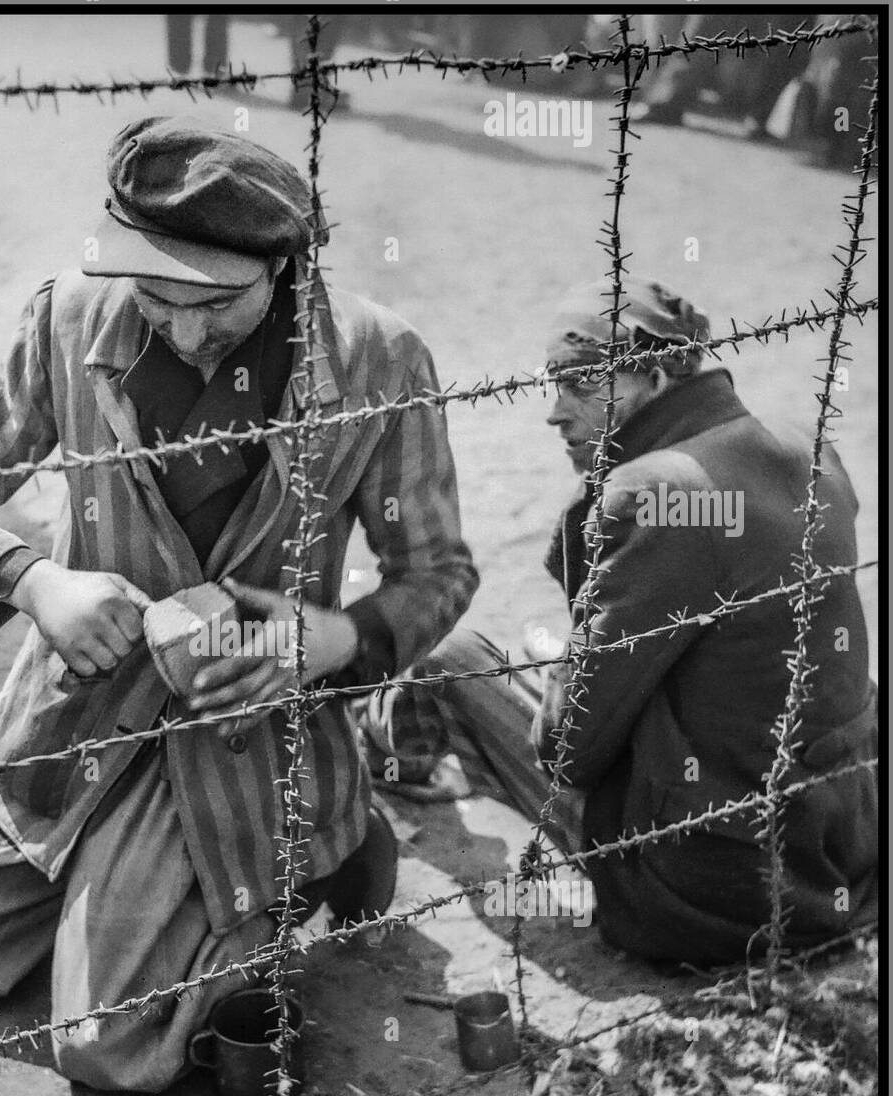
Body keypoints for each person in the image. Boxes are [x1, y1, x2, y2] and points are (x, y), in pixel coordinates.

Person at [0, 116, 478, 1092]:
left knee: (108, 1046)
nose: (187, 332)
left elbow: (438, 572)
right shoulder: (69, 318)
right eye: (156, 298)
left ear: (288, 269)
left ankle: (324, 863)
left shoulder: (376, 362)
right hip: (81, 710)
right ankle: (131, 896)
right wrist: (36, 583)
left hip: (244, 733)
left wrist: (330, 639)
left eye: (221, 304)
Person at [363, 278, 877, 966]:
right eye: (555, 385)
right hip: (841, 856)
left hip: (713, 894)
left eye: (579, 386)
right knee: (565, 656)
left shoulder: (658, 493)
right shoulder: (804, 445)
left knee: (453, 657)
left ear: (657, 376)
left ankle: (393, 757)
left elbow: (570, 749)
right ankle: (401, 747)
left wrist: (569, 651)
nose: (556, 413)